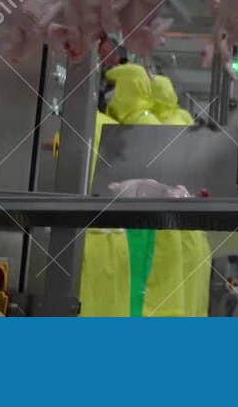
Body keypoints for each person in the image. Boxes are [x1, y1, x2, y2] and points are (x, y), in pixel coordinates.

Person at [80, 63, 210, 316]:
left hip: (126, 242)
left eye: (116, 89)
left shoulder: (129, 130)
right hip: (173, 243)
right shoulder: (174, 123)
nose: (110, 96)